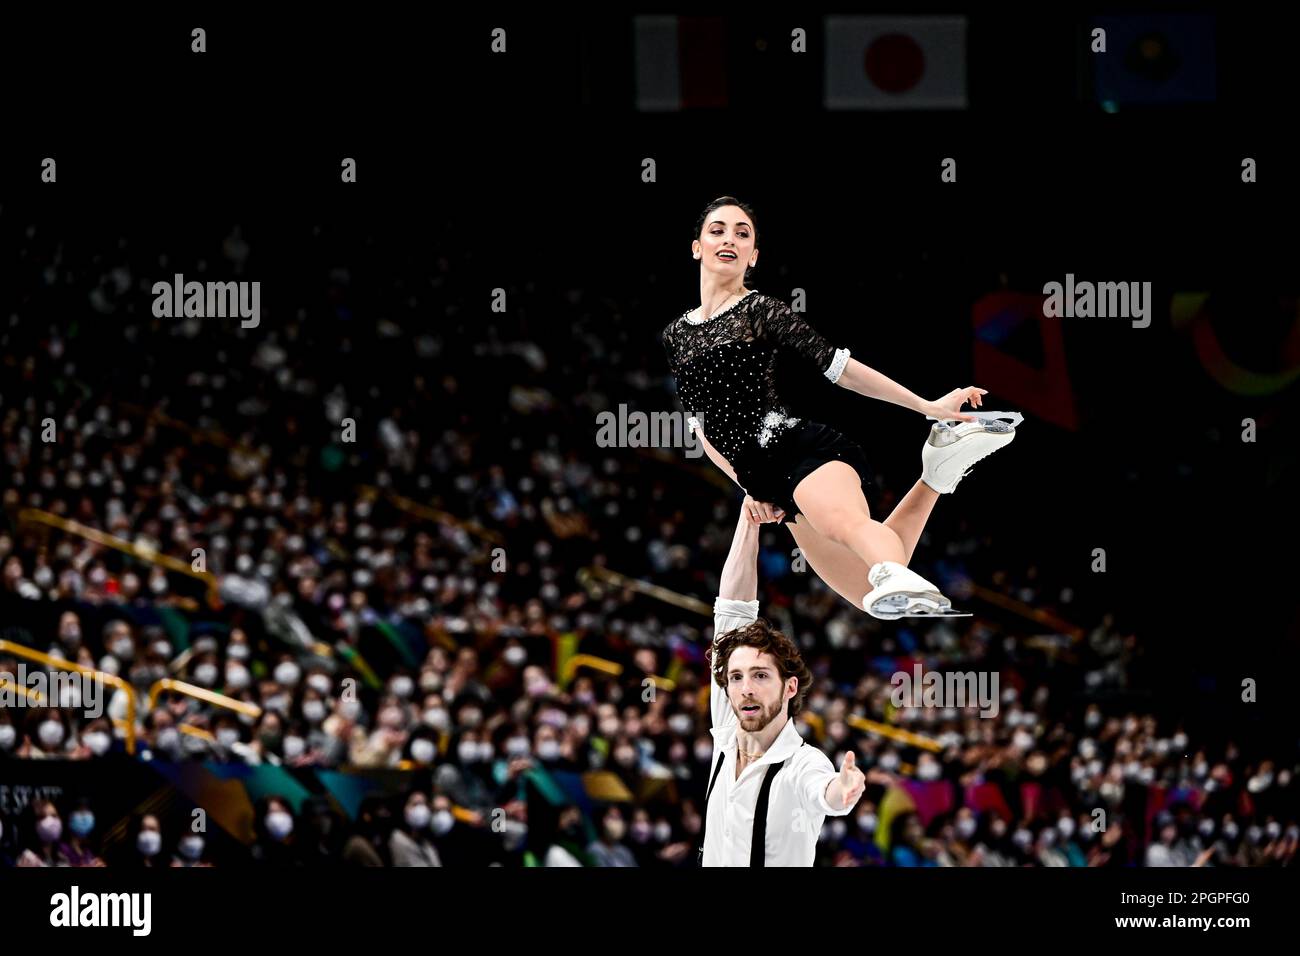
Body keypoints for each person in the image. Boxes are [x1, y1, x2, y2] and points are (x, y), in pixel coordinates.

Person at [663, 196, 1018, 618]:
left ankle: (894, 569)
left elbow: (841, 368)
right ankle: (936, 473)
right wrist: (749, 487)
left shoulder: (761, 311)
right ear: (697, 247)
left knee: (847, 529)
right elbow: (703, 430)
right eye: (717, 230)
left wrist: (927, 405)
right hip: (770, 482)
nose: (730, 239)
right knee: (865, 593)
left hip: (800, 452)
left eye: (743, 234)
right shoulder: (676, 335)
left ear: (753, 256)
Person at [699, 497, 866, 866]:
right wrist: (748, 519)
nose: (745, 687)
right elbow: (731, 608)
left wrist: (843, 790)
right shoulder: (727, 728)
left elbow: (825, 792)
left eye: (760, 676)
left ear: (789, 687)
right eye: (737, 677)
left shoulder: (803, 764)